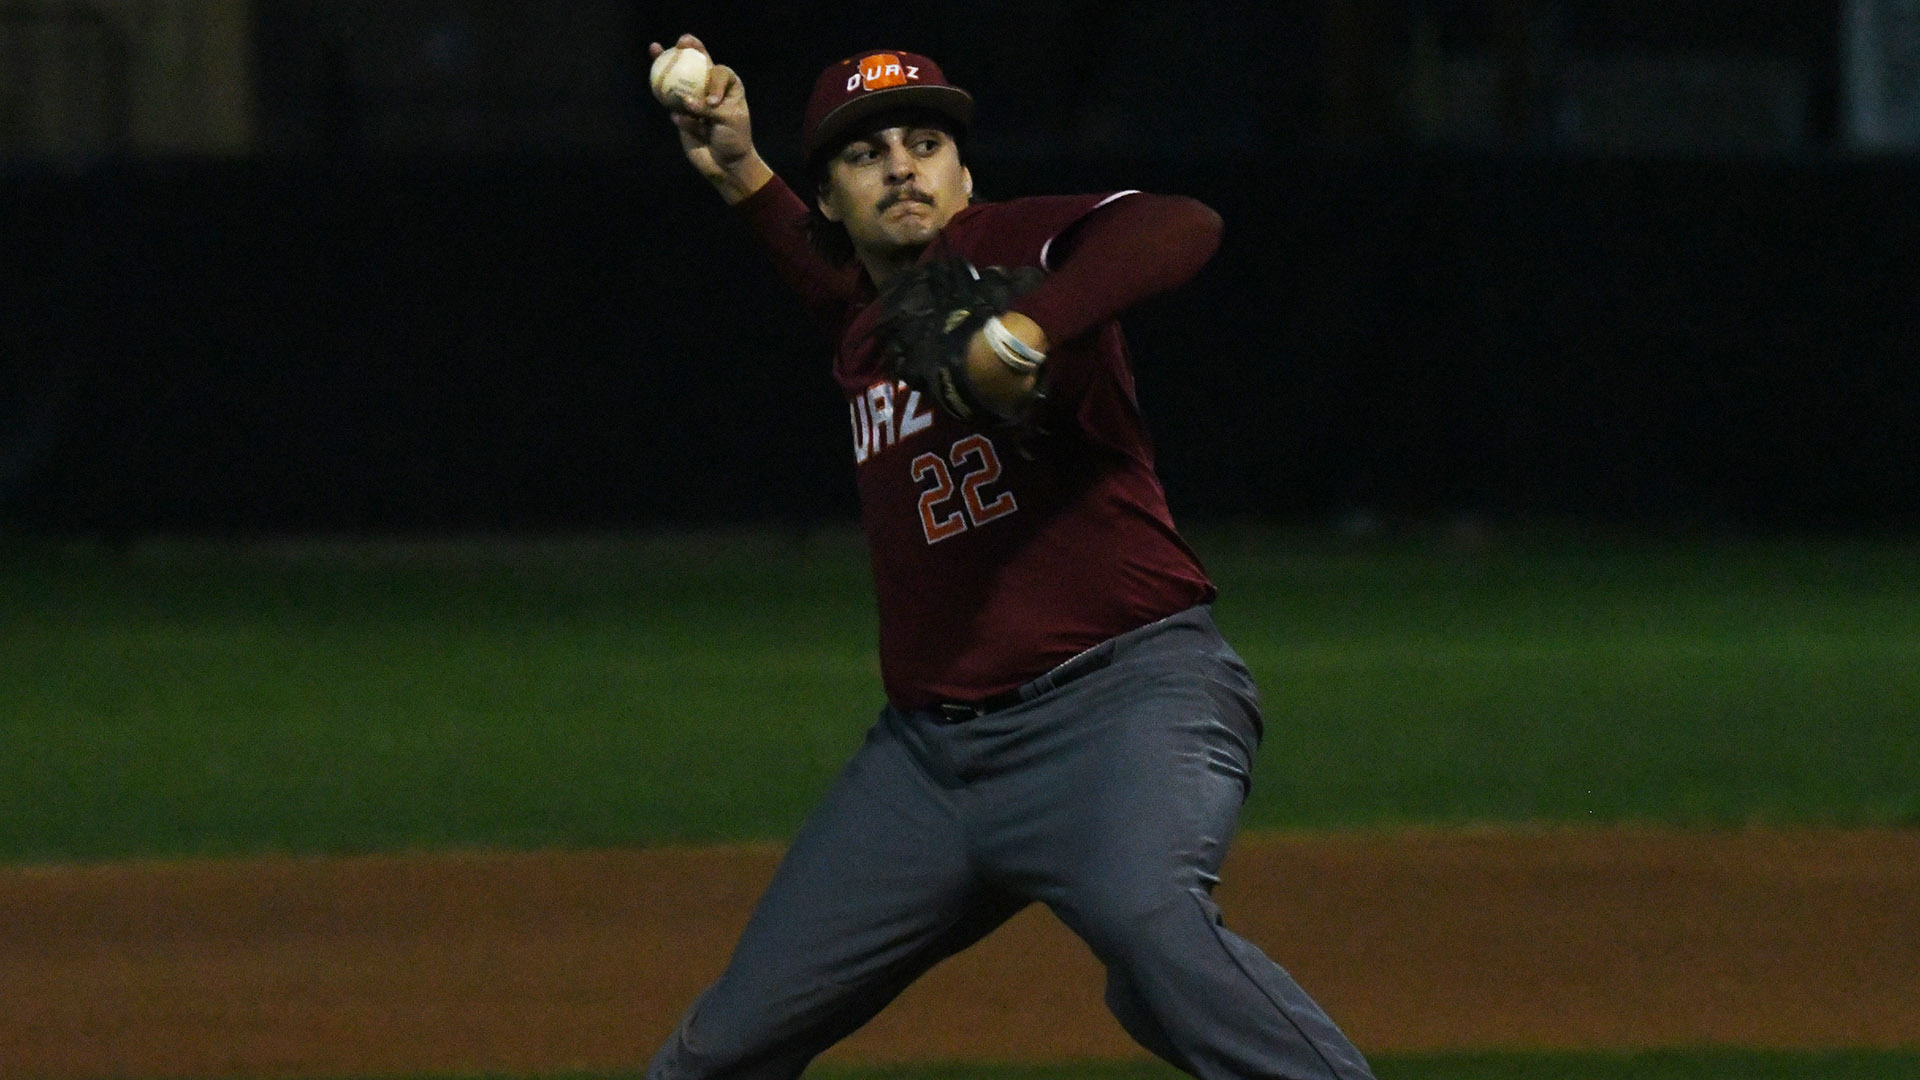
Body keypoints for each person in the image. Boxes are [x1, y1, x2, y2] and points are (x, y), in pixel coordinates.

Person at [645, 33, 1379, 1080]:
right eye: (866, 154)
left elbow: (1180, 225)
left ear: (965, 172)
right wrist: (740, 171)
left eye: (926, 140)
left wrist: (1030, 329)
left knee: (1147, 924)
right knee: (715, 1053)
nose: (902, 164)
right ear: (833, 205)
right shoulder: (862, 319)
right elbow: (838, 289)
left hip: (1125, 702)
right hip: (927, 769)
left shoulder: (1007, 249)